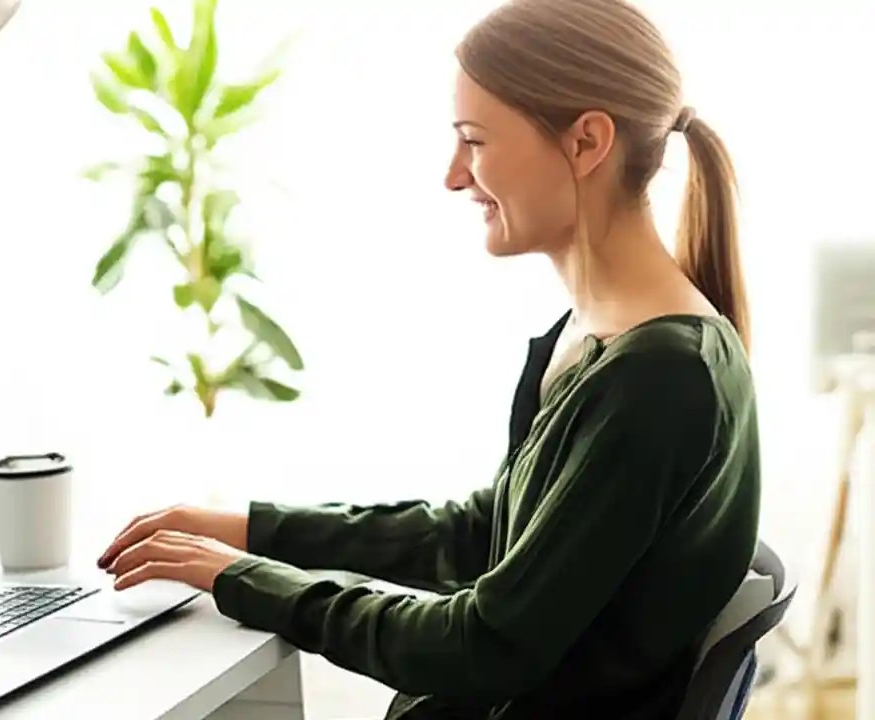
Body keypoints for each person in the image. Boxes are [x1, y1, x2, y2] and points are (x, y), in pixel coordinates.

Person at [96, 0, 761, 717]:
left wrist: (245, 579)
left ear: (586, 142)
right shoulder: (603, 339)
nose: (454, 176)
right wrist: (250, 532)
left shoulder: (659, 378)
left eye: (474, 141)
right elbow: (478, 534)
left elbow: (483, 645)